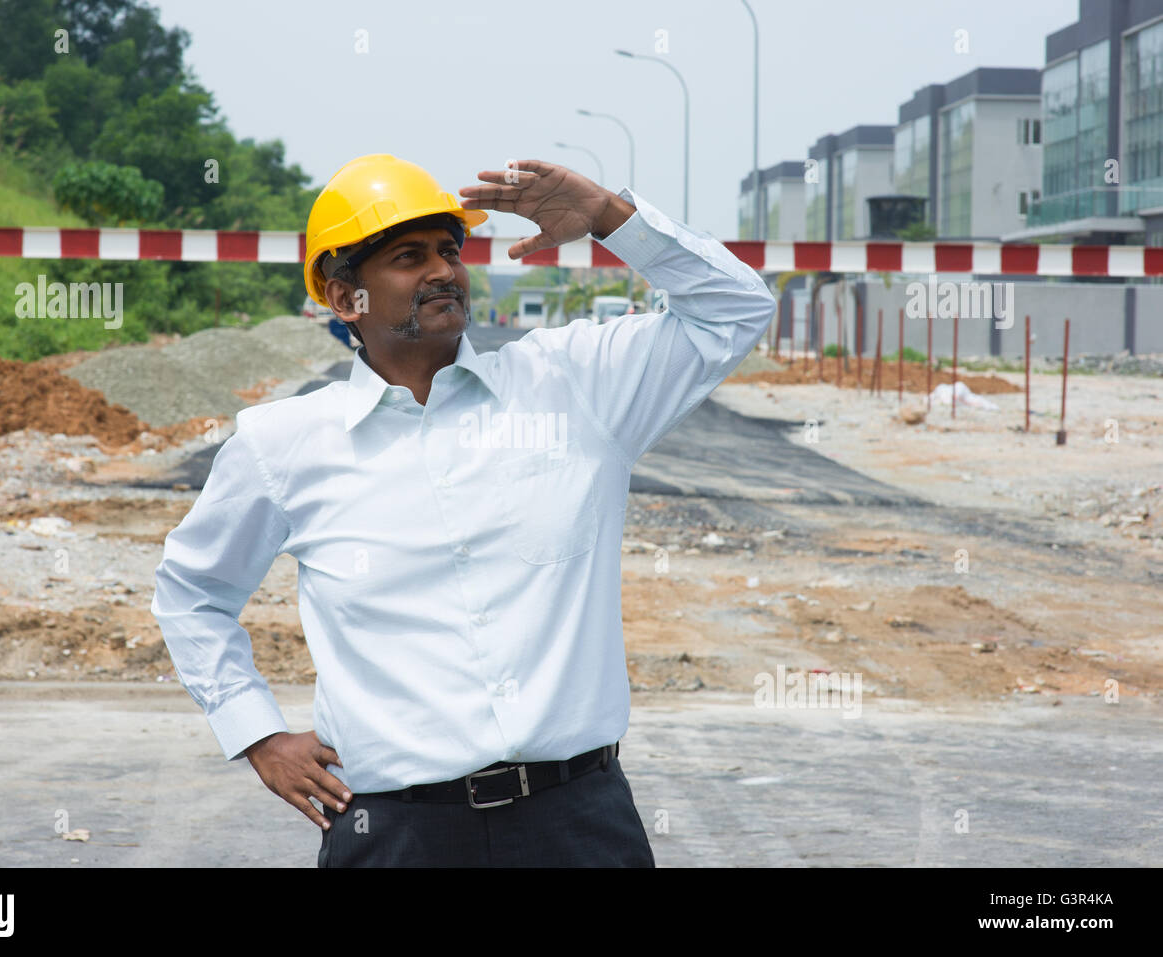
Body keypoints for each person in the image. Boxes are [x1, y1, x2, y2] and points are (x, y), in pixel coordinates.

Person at [150, 154, 777, 867]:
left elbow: (736, 309)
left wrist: (607, 216)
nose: (443, 270)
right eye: (408, 257)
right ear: (343, 296)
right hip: (395, 836)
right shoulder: (284, 444)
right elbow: (192, 593)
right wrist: (257, 734)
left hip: (580, 824)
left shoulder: (573, 386)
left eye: (451, 250)